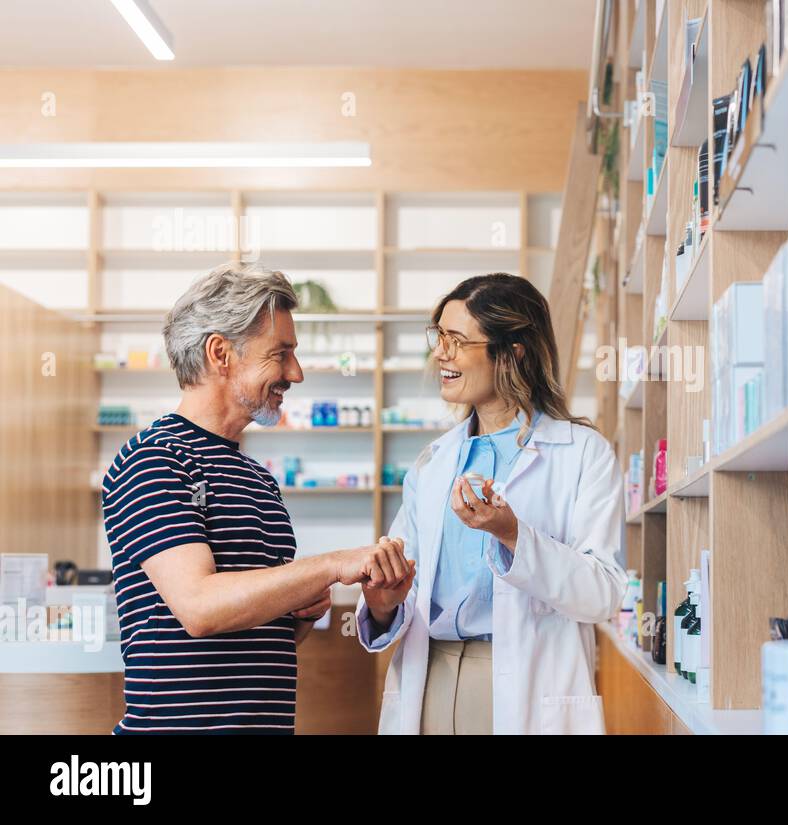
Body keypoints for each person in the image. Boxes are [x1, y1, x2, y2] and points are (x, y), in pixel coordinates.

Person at [102, 262, 412, 734]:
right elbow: (201, 608)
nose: (296, 372)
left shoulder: (256, 478)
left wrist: (314, 611)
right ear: (220, 353)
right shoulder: (155, 459)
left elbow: (264, 638)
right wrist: (330, 565)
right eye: (281, 353)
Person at [357, 273, 626, 735]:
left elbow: (603, 594)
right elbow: (406, 585)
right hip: (430, 677)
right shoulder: (434, 461)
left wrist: (513, 534)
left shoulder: (583, 452)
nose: (440, 353)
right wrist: (382, 605)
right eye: (439, 337)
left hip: (523, 682)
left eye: (457, 340)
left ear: (513, 349)